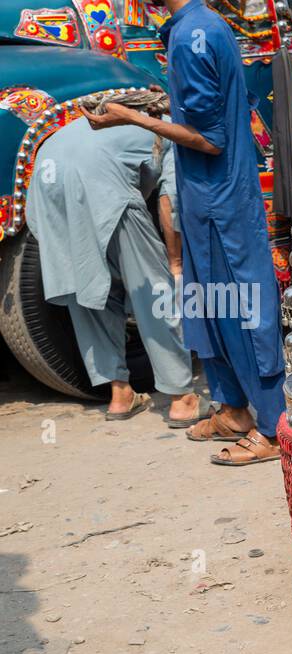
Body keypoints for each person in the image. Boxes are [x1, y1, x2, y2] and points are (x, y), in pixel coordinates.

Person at [83, 0, 285, 465]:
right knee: (206, 310)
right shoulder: (189, 28)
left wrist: (132, 118)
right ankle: (234, 409)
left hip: (223, 202)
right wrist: (157, 106)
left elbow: (210, 139)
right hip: (203, 199)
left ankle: (273, 428)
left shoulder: (195, 35)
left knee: (242, 311)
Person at [25, 118, 201, 425]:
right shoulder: (173, 133)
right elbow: (168, 202)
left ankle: (120, 394)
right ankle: (182, 399)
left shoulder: (102, 124)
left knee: (89, 291)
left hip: (46, 179)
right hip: (100, 181)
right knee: (152, 290)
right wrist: (175, 262)